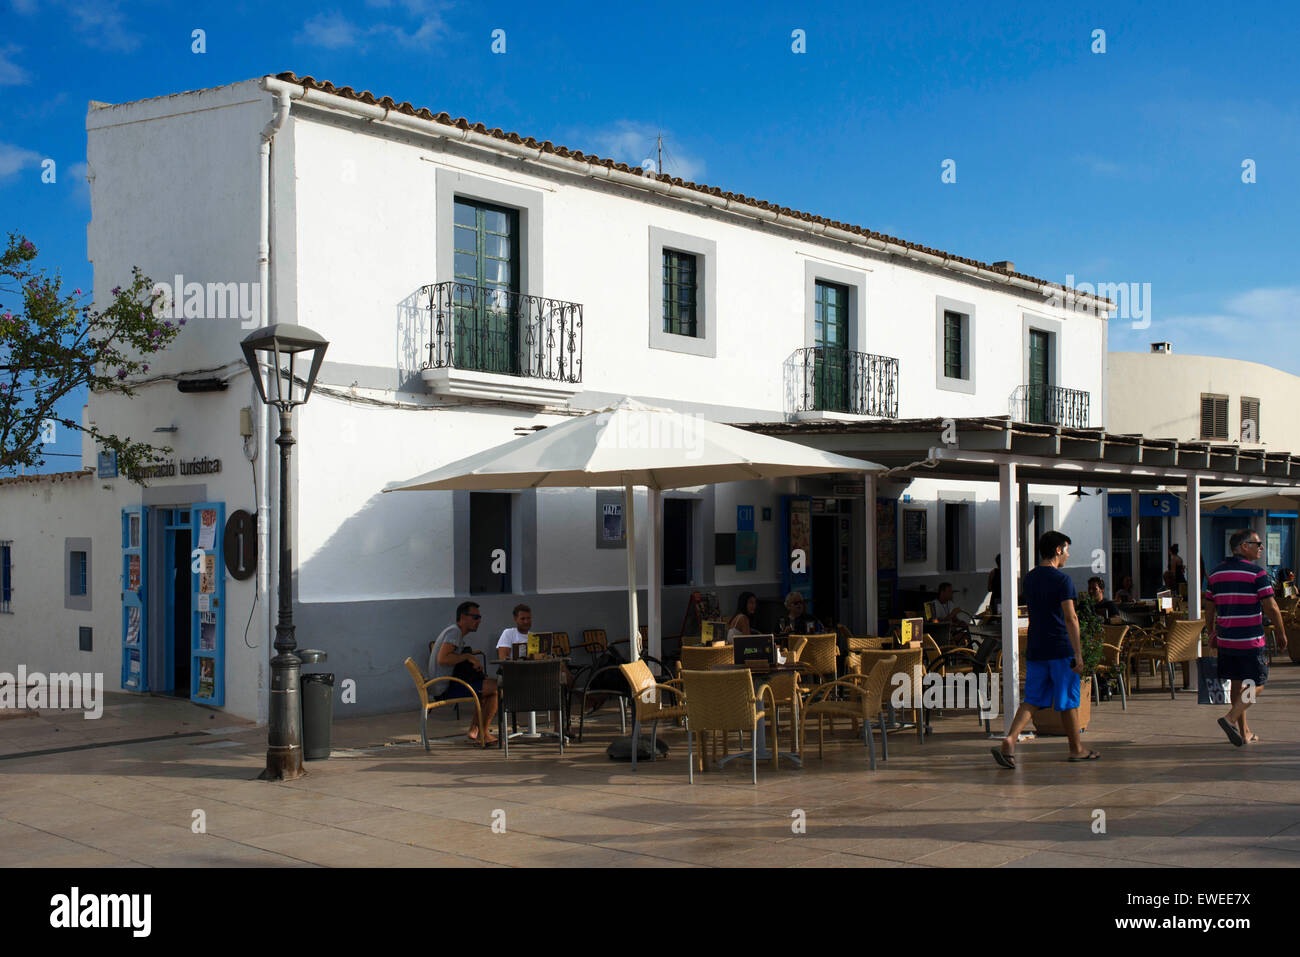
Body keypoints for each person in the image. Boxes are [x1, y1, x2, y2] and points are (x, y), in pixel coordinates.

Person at [992, 530, 1099, 768]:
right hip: (1060, 648)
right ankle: (1076, 748)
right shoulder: (1063, 580)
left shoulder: (1030, 578)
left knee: (1033, 699)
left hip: (1036, 647)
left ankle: (1010, 740)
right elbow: (1070, 618)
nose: (1068, 555)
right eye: (1067, 550)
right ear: (1058, 550)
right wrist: (1078, 653)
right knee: (1069, 700)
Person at [1203, 529, 1288, 747]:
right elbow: (1272, 607)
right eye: (1257, 544)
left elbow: (1209, 608)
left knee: (1237, 684)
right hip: (1250, 641)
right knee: (1257, 684)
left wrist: (1211, 633)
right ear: (1244, 547)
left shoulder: (1215, 574)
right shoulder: (1257, 574)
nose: (1261, 548)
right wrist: (1280, 632)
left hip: (1227, 641)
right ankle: (1230, 718)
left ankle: (1244, 733)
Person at [431, 601, 499, 745]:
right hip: (445, 687)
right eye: (475, 617)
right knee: (496, 688)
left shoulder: (455, 632)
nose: (479, 621)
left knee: (488, 686)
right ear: (463, 617)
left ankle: (475, 730)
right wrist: (468, 657)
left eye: (480, 617)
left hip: (448, 682)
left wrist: (470, 659)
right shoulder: (454, 632)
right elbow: (443, 659)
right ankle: (483, 734)